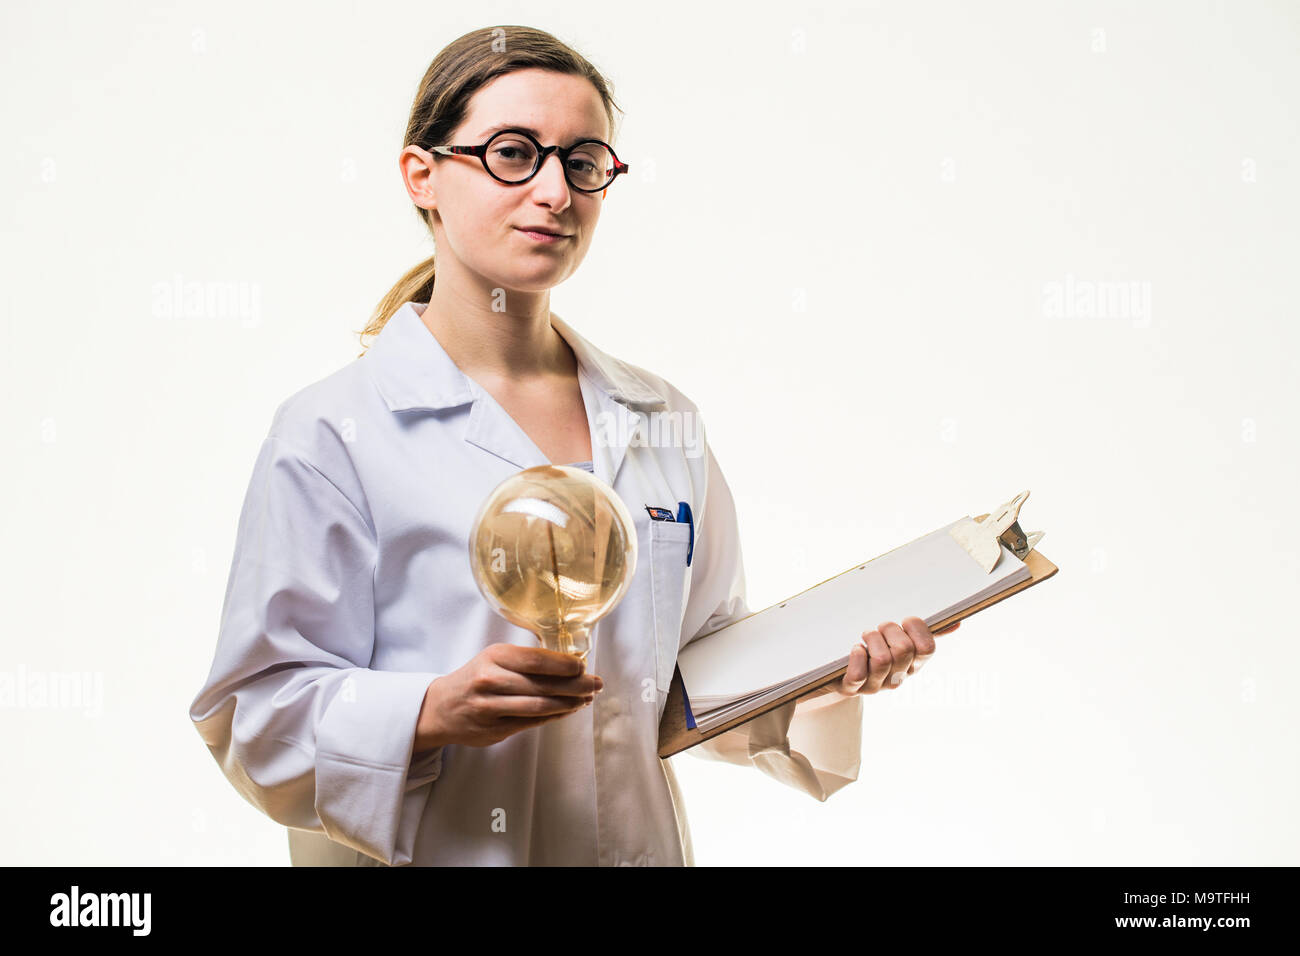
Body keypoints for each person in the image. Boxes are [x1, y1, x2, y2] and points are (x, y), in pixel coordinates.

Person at [188, 24, 957, 867]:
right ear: (423, 176)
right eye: (514, 153)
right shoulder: (334, 432)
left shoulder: (660, 416)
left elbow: (685, 678)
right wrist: (432, 709)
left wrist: (831, 675)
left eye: (584, 162)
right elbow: (254, 715)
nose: (556, 191)